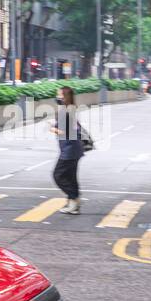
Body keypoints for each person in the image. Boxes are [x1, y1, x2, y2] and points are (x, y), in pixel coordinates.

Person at [51, 85, 88, 214]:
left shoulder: (65, 111)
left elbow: (68, 132)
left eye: (59, 94)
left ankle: (74, 198)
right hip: (74, 149)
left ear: (64, 96)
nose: (57, 96)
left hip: (70, 150)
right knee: (71, 177)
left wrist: (53, 129)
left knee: (58, 175)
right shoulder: (69, 109)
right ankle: (74, 204)